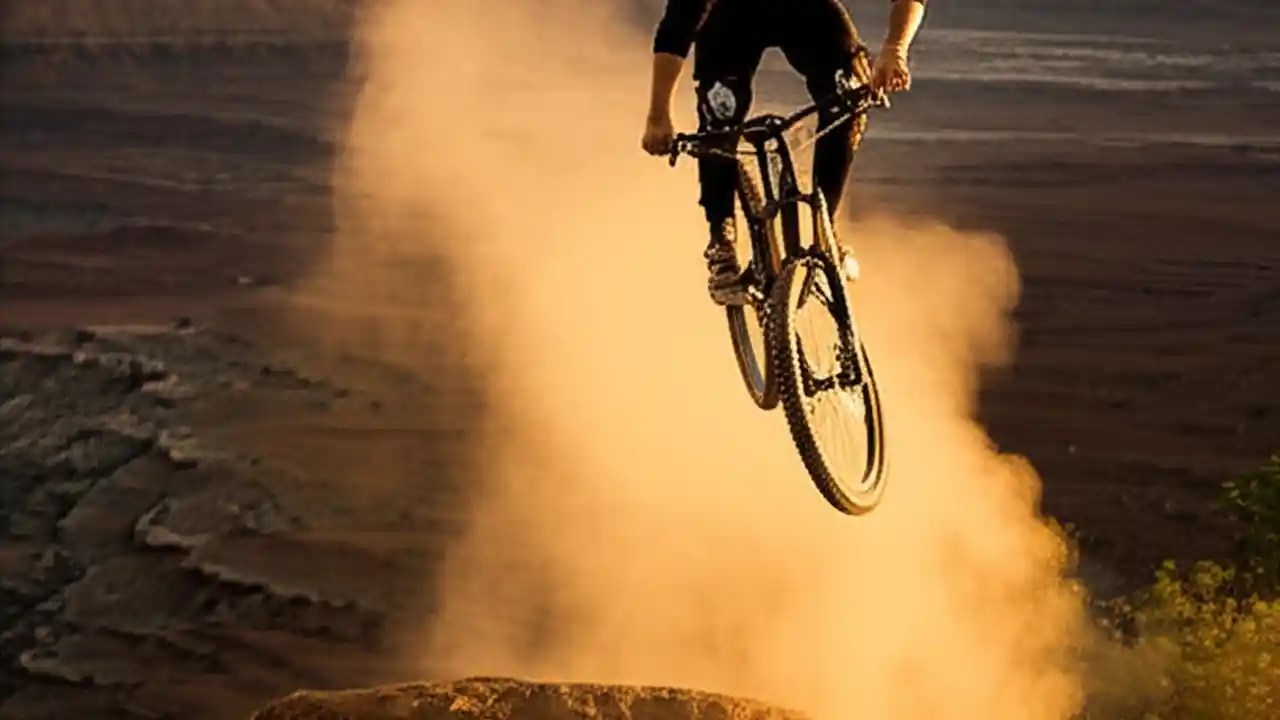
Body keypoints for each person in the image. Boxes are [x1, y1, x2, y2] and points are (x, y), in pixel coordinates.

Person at [641, 0, 927, 304]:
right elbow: (678, 25)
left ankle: (825, 232)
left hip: (804, 11)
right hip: (729, 18)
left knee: (849, 96)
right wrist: (658, 115)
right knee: (719, 114)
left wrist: (896, 49)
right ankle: (721, 242)